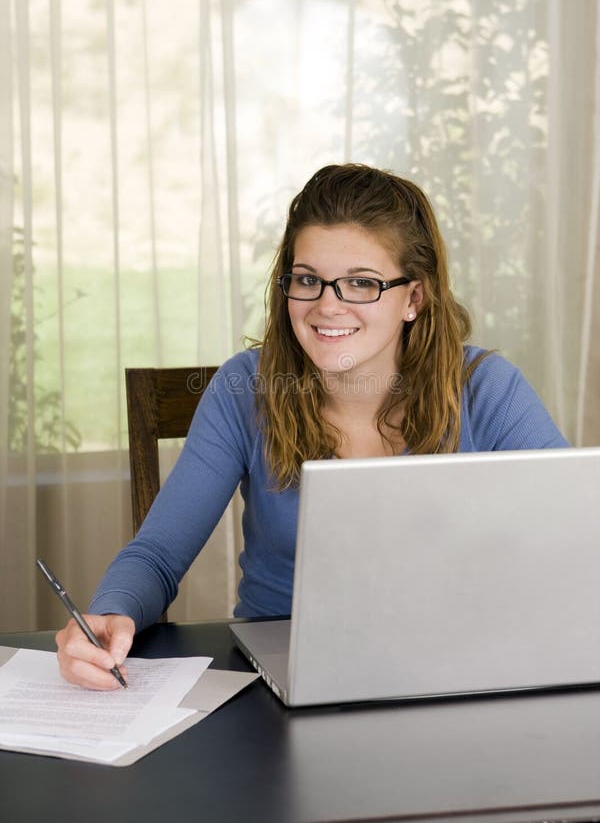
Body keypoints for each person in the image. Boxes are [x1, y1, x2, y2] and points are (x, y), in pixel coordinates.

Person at [56, 162, 568, 688]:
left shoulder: (487, 389)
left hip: (459, 671)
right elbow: (159, 555)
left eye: (361, 283)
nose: (327, 305)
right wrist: (109, 613)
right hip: (279, 679)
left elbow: (574, 539)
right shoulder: (245, 390)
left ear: (414, 298)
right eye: (308, 280)